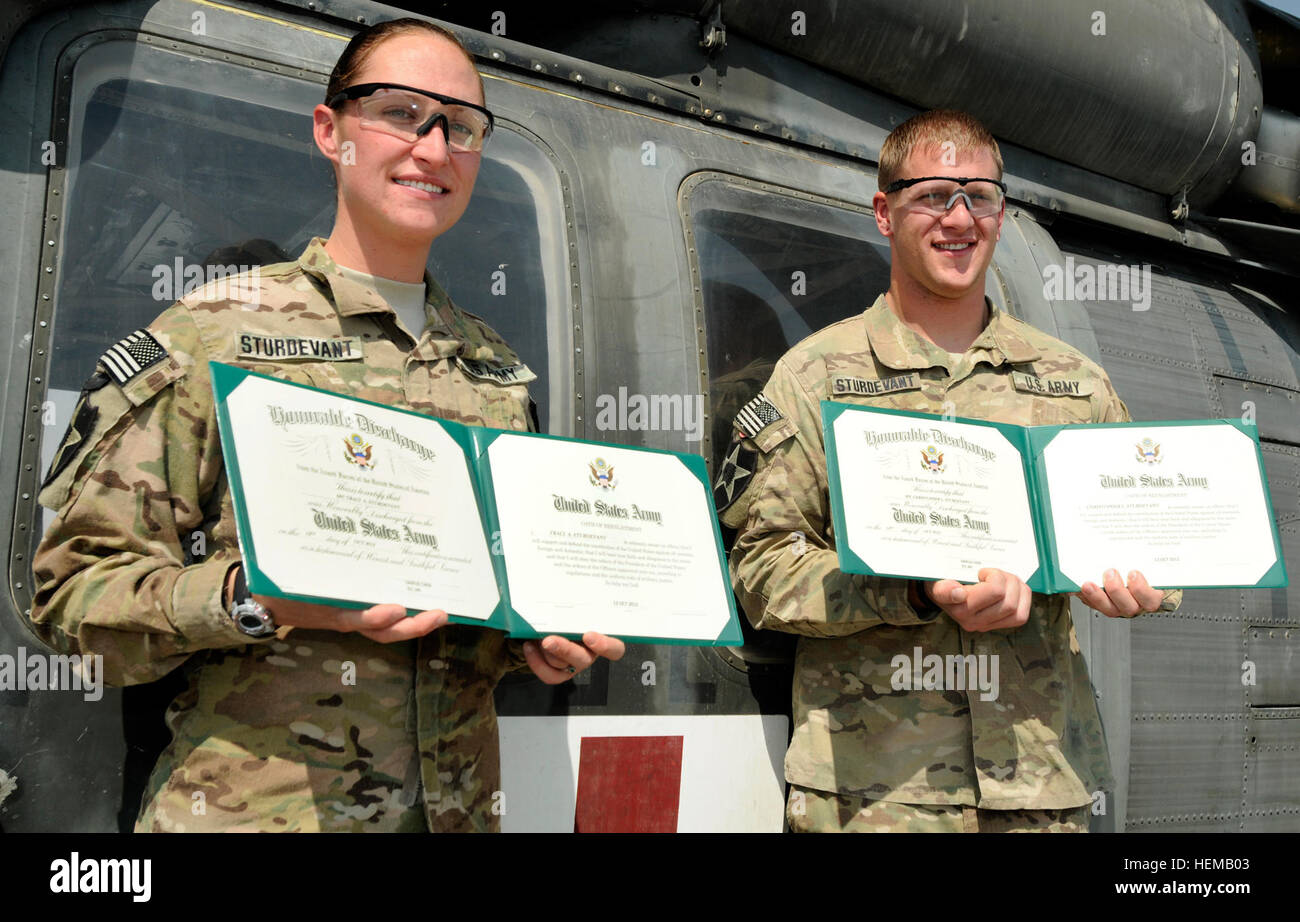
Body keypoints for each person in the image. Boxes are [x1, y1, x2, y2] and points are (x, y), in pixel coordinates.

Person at [29, 18, 623, 832]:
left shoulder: (496, 374)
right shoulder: (215, 333)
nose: (434, 146)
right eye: (401, 112)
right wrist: (259, 601)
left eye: (462, 126)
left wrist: (535, 643)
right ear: (329, 130)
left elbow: (473, 611)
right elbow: (72, 603)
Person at [715, 109, 1181, 833]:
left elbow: (1144, 537)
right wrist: (912, 591)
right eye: (934, 195)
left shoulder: (1074, 384)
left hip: (1039, 788)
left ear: (1001, 214)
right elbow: (762, 568)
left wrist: (1138, 583)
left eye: (981, 197)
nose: (959, 218)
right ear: (884, 211)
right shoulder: (816, 378)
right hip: (876, 794)